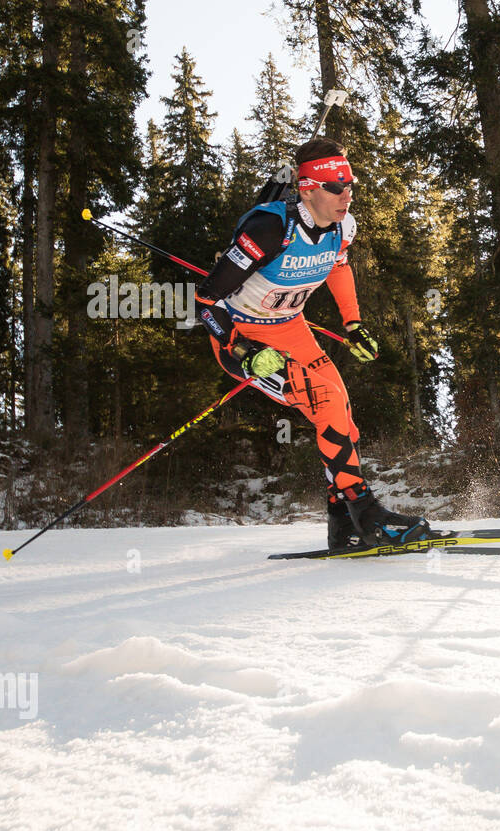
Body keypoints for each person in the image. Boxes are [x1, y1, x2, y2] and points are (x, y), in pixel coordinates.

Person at [193, 137, 429, 549]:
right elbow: (205, 301)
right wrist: (243, 350)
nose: (347, 195)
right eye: (336, 187)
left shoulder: (343, 227)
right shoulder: (269, 228)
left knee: (341, 413)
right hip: (245, 338)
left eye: (350, 184)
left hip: (292, 329)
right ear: (307, 188)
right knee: (325, 401)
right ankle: (367, 514)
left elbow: (338, 268)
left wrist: (353, 323)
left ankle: (343, 525)